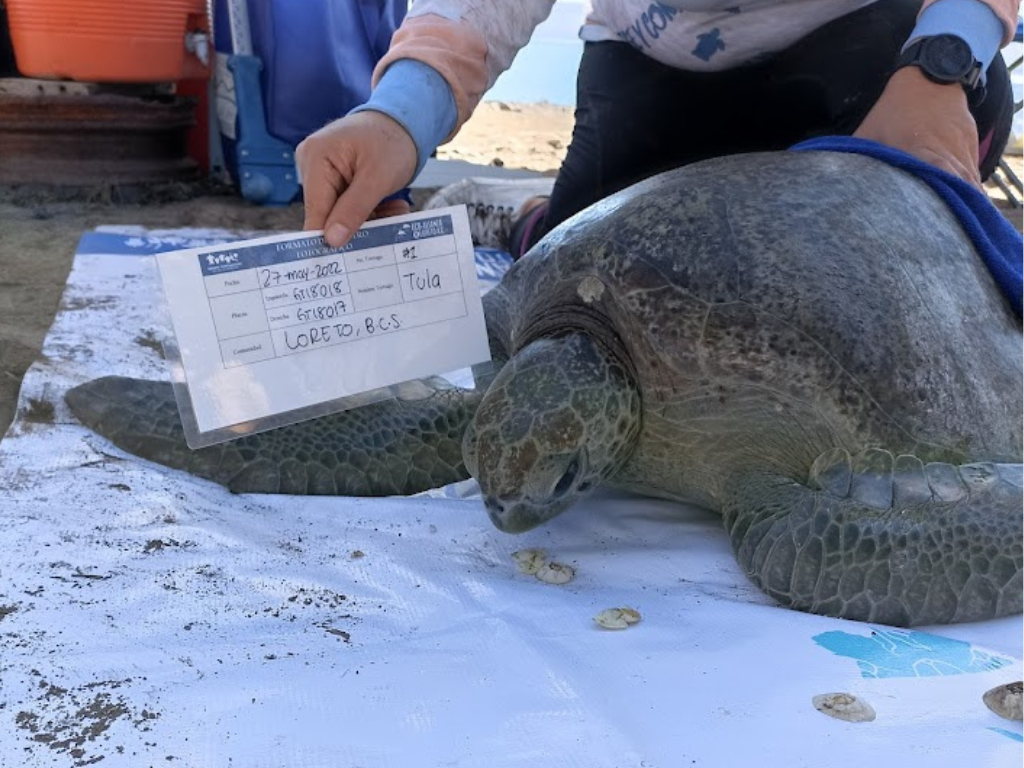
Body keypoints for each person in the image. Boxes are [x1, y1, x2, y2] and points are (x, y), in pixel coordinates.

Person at [296, 0, 1020, 257]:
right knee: (574, 262)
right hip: (655, 64)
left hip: (861, 49)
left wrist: (941, 67)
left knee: (920, 226)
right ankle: (523, 219)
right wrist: (396, 116)